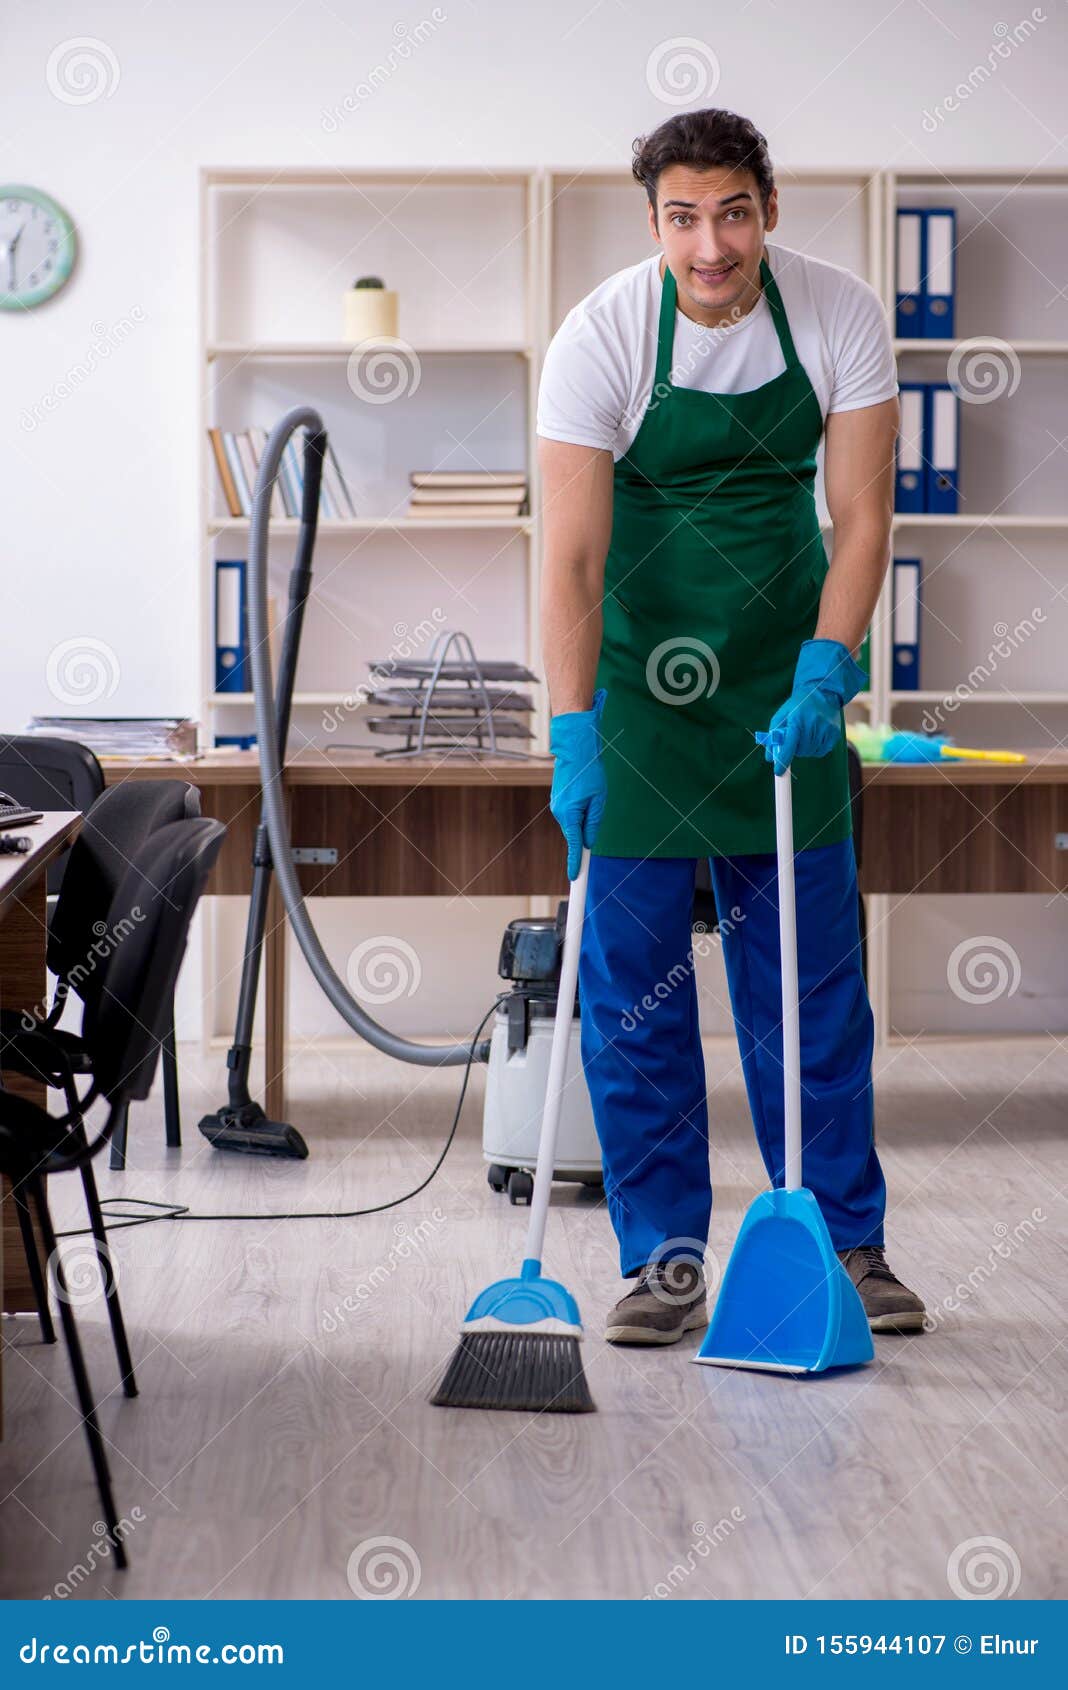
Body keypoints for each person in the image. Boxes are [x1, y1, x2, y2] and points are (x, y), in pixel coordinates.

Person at [537, 107, 925, 1346]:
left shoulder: (839, 313)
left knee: (807, 984)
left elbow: (859, 518)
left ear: (770, 207)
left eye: (735, 212)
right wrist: (574, 730)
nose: (712, 245)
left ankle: (841, 1242)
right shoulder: (599, 334)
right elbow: (575, 553)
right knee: (633, 991)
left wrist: (829, 671)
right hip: (645, 693)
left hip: (780, 684)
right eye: (684, 217)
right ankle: (666, 1260)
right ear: (653, 221)